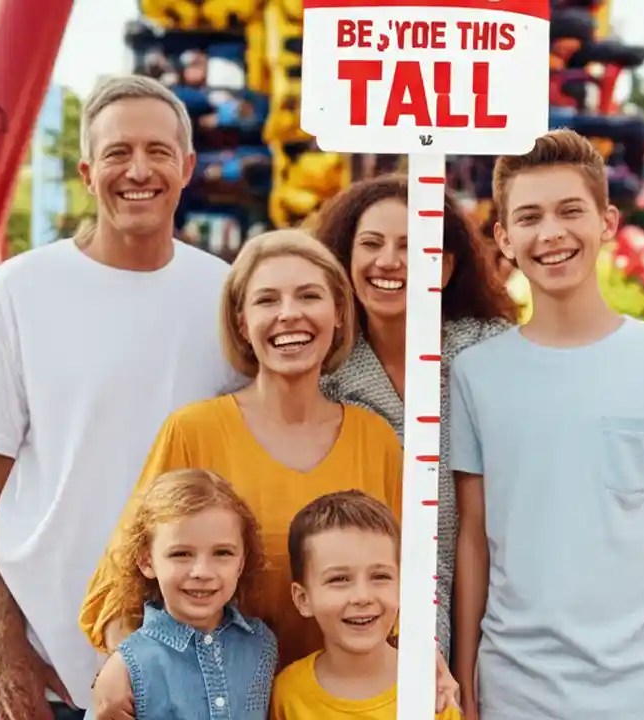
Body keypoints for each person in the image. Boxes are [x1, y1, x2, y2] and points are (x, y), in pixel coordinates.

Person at [0, 75, 242, 719]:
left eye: (159, 151)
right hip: (44, 652)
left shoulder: (225, 295)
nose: (139, 170)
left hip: (188, 660)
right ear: (86, 171)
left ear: (187, 167)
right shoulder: (21, 289)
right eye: (117, 152)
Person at [83, 230, 456, 718]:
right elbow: (120, 577)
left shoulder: (375, 438)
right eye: (267, 300)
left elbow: (406, 581)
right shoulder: (193, 430)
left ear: (339, 314)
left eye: (309, 295)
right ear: (242, 323)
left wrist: (426, 656)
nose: (289, 314)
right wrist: (121, 666)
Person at [450, 129, 644, 720]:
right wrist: (467, 684)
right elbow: (473, 538)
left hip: (640, 690)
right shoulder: (475, 374)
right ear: (504, 237)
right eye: (528, 217)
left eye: (569, 211)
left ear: (606, 221)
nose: (550, 233)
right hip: (512, 689)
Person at [311, 175, 517, 660]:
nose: (388, 261)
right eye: (371, 244)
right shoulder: (319, 373)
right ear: (344, 262)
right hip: (363, 626)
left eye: (411, 245)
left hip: (499, 613)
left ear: (443, 267)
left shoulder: (491, 354)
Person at [270, 490, 462, 720]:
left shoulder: (431, 690)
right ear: (303, 599)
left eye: (380, 576)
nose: (362, 596)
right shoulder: (288, 693)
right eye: (339, 579)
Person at [104, 468, 277, 719]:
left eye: (222, 553)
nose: (202, 572)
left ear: (241, 562)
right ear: (147, 562)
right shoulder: (129, 666)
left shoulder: (262, 644)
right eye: (181, 554)